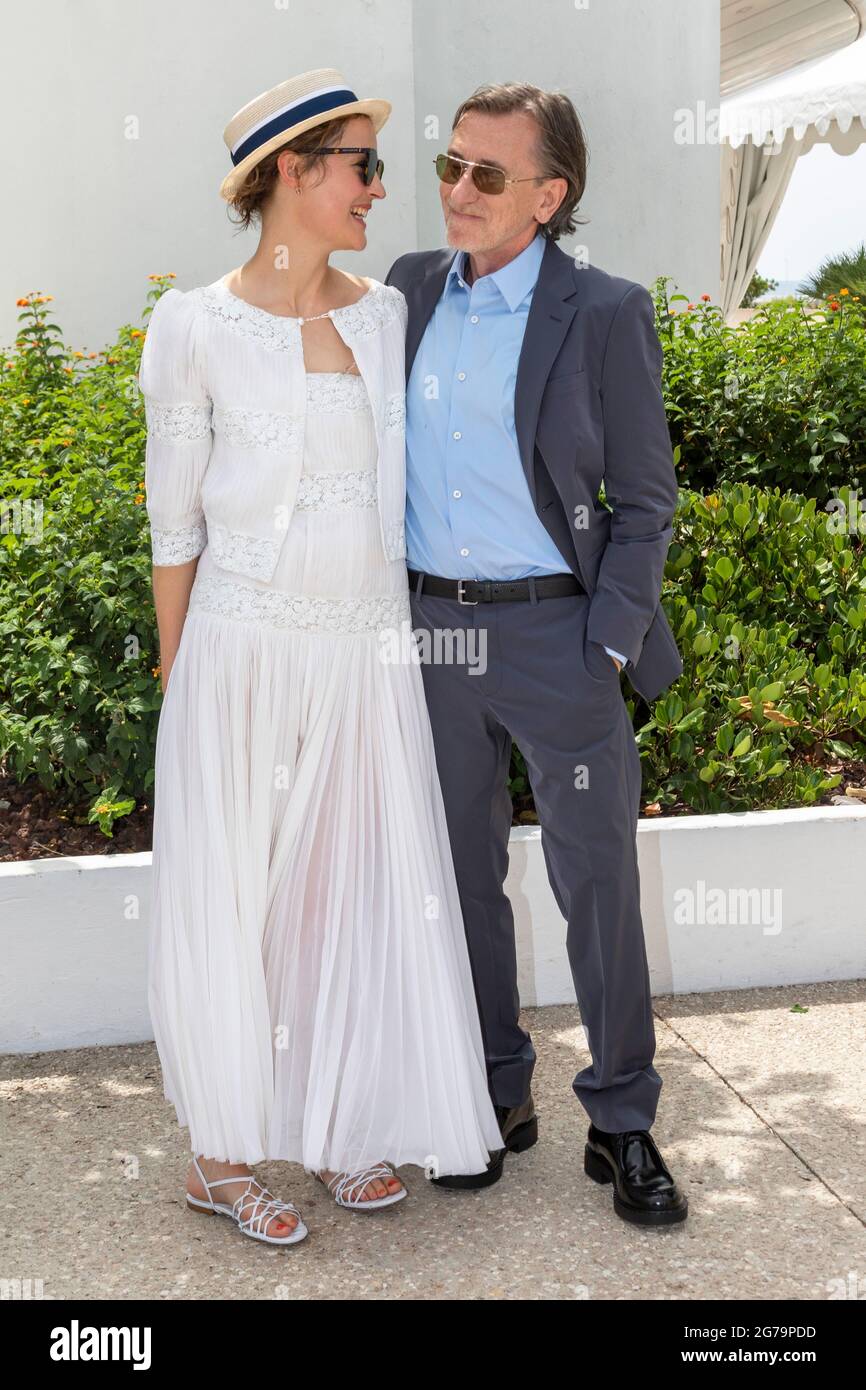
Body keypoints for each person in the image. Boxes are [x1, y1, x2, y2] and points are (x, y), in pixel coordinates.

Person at [139, 68, 503, 1247]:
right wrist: (177, 669)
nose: (378, 189)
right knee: (234, 895)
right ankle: (221, 1157)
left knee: (348, 890)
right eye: (358, 164)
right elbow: (173, 522)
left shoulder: (382, 315)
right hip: (239, 653)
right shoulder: (194, 325)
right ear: (289, 174)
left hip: (361, 655)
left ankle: (345, 1127)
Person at [385, 82, 689, 1225]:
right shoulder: (407, 291)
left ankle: (621, 1122)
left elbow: (645, 500)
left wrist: (605, 643)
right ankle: (491, 1097)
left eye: (486, 175)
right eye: (449, 167)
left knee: (596, 884)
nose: (457, 191)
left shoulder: (602, 312)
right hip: (430, 632)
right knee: (459, 878)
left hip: (558, 633)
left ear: (547, 195)